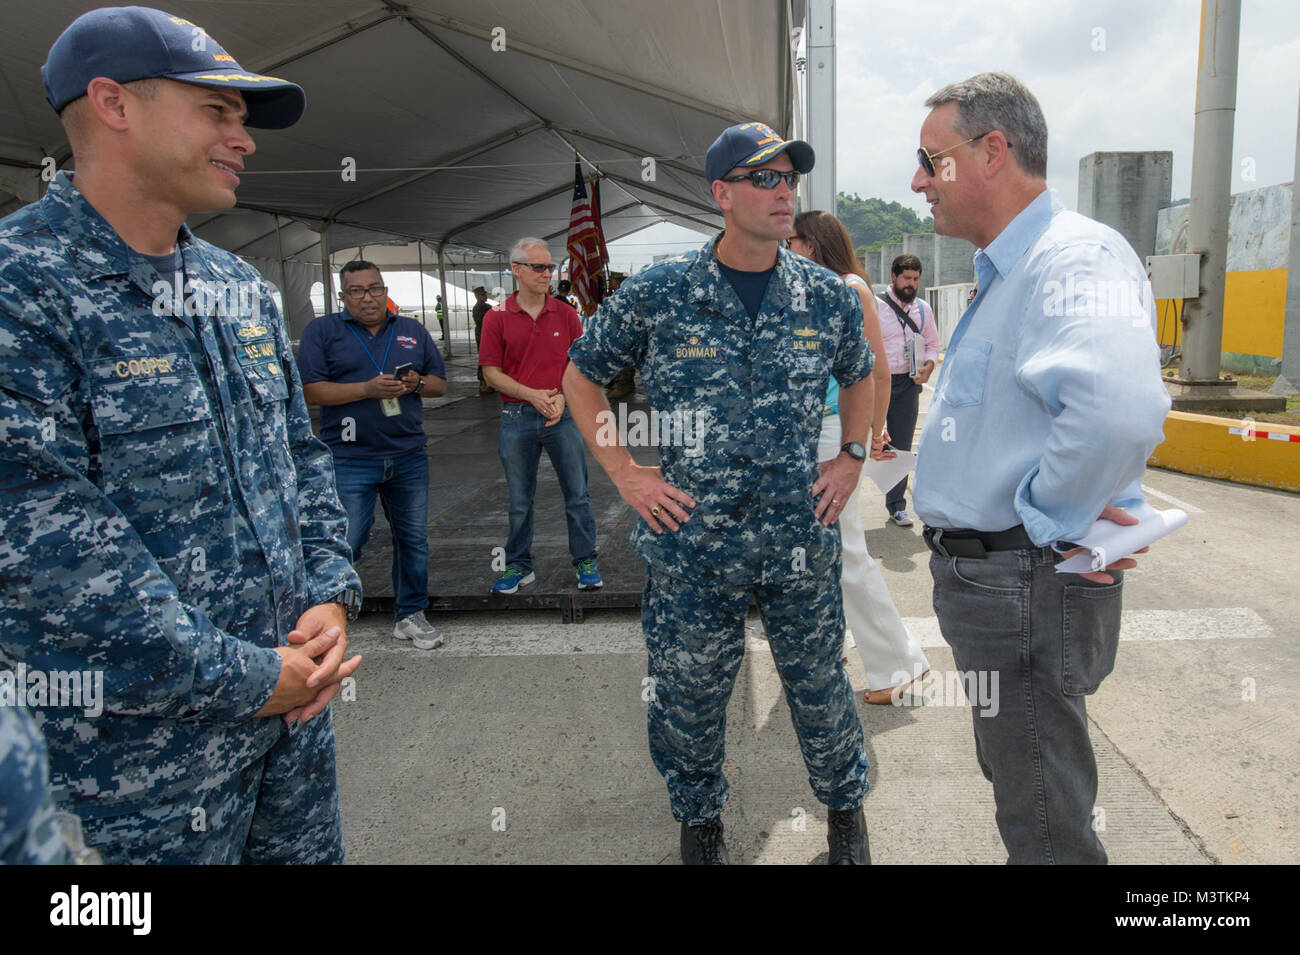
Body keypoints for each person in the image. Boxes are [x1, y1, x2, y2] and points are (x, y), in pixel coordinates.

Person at [0, 6, 362, 863]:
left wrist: (329, 596)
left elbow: (301, 458)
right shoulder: (23, 290)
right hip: (135, 781)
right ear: (114, 104)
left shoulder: (237, 287)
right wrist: (255, 679)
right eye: (217, 111)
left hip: (291, 736)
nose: (244, 139)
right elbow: (47, 566)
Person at [564, 122, 875, 864]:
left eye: (789, 179)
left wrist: (853, 454)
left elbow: (863, 370)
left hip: (799, 535)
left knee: (820, 685)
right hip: (694, 544)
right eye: (764, 179)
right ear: (721, 193)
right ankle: (700, 825)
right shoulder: (662, 292)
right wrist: (627, 472)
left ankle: (846, 822)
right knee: (689, 691)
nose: (783, 192)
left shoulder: (824, 295)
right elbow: (581, 375)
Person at [910, 72, 1170, 863]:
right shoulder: (1010, 271)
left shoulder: (1072, 258)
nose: (919, 181)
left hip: (1021, 579)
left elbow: (1118, 410)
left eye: (932, 159)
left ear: (994, 152)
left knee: (1045, 821)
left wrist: (1047, 525)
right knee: (1027, 783)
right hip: (1002, 581)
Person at [788, 211, 931, 705]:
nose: (788, 250)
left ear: (812, 244)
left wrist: (872, 432)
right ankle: (842, 646)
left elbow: (878, 371)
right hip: (820, 431)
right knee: (826, 551)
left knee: (847, 550)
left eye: (794, 242)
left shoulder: (848, 287)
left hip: (832, 431)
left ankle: (899, 665)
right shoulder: (824, 286)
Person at [298, 260, 448, 650]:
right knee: (347, 538)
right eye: (358, 291)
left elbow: (439, 384)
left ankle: (410, 614)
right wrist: (365, 390)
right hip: (350, 457)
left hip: (408, 454)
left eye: (375, 288)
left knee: (413, 539)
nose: (368, 298)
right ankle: (328, 615)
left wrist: (415, 384)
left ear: (385, 291)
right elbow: (312, 391)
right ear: (343, 297)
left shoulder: (411, 330)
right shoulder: (322, 332)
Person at [479, 238, 601, 594]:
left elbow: (580, 365)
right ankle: (518, 565)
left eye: (550, 267)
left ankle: (586, 560)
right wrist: (532, 395)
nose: (547, 274)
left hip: (561, 416)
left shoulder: (565, 314)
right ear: (516, 270)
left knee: (577, 493)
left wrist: (563, 397)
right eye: (538, 267)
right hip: (517, 416)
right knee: (519, 500)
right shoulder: (496, 317)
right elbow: (491, 372)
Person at [876, 254, 941, 527]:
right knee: (866, 442)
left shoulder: (923, 309)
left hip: (907, 384)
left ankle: (897, 505)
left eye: (915, 279)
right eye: (906, 278)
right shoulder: (876, 306)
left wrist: (927, 367)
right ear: (894, 276)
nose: (911, 284)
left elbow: (933, 344)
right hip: (877, 383)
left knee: (901, 446)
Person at [472, 285, 493, 393]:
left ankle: (487, 382)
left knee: (487, 358)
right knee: (485, 359)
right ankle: (484, 382)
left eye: (485, 294)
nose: (485, 296)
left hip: (483, 334)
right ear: (477, 296)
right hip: (483, 335)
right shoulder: (482, 307)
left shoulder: (483, 307)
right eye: (482, 294)